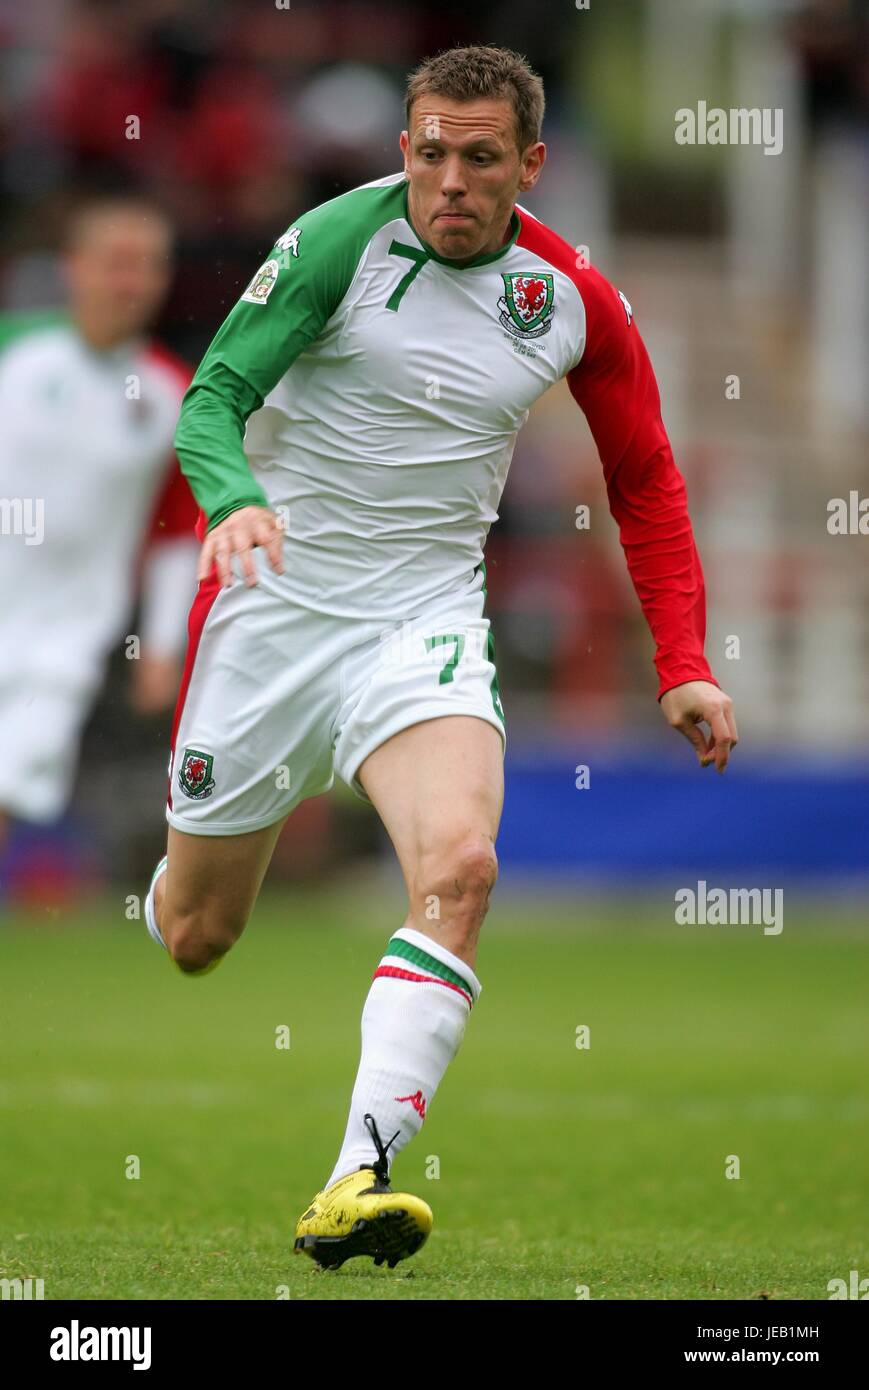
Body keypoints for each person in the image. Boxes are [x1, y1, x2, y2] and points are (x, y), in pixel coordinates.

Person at [144, 44, 738, 1271]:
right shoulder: (333, 243)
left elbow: (644, 482)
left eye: (478, 159)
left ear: (528, 162)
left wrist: (681, 658)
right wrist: (234, 498)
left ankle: (354, 1176)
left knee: (461, 868)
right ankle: (162, 880)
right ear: (401, 147)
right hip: (271, 606)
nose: (448, 182)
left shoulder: (570, 295)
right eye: (427, 153)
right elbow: (210, 398)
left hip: (421, 624)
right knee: (200, 935)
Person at [0, 196, 198, 846]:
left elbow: (175, 532)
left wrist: (162, 645)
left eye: (149, 266)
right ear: (74, 269)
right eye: (117, 263)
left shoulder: (174, 392)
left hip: (65, 641)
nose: (133, 282)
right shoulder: (15, 356)